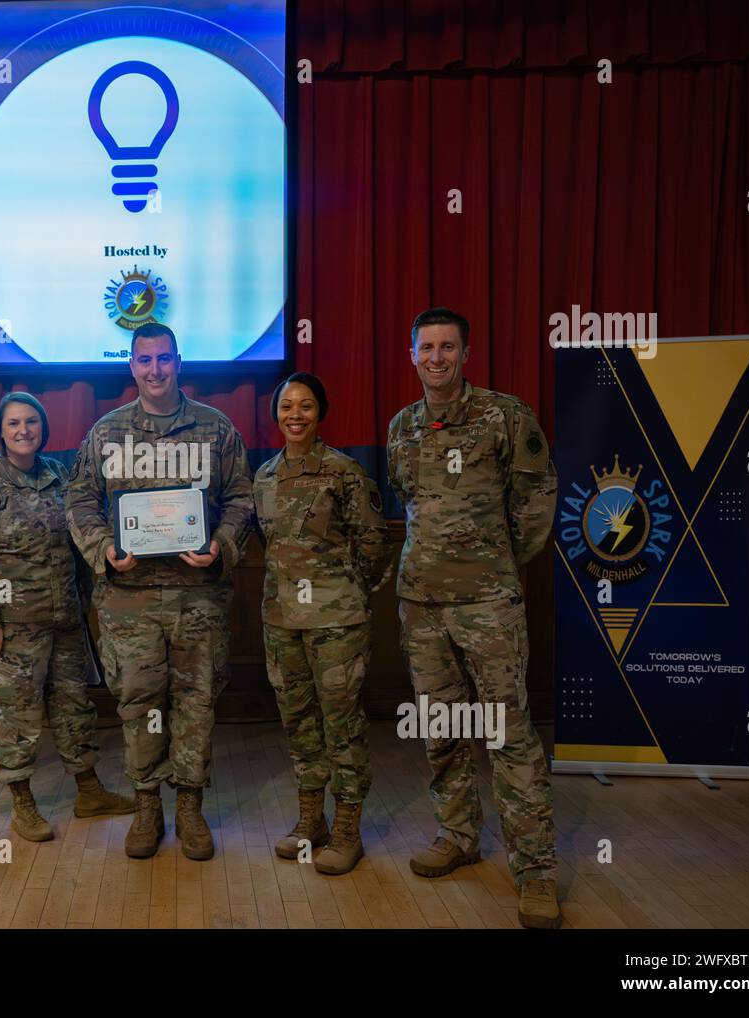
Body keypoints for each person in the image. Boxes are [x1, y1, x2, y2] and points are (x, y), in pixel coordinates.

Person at [387, 307, 560, 928]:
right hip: (422, 604)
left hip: (488, 605)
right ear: (413, 354)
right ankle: (457, 835)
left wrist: (497, 563)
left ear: (466, 353)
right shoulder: (401, 427)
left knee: (509, 735)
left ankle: (536, 870)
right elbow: (407, 499)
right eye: (426, 347)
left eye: (448, 347)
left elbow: (537, 500)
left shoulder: (505, 417)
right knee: (441, 728)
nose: (437, 357)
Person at [66, 322, 254, 861]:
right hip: (130, 601)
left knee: (196, 703)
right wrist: (102, 546)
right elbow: (79, 500)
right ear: (131, 365)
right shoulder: (106, 433)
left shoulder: (216, 430)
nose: (155, 370)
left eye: (164, 359)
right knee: (139, 704)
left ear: (179, 362)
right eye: (145, 360)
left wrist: (220, 543)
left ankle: (190, 806)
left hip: (199, 599)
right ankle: (148, 804)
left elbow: (243, 497)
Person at [0, 392, 133, 842]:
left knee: (75, 708)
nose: (23, 431)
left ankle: (89, 791)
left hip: (65, 622)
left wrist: (87, 599)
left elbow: (81, 541)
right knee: (19, 717)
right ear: (0, 430)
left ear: (43, 428)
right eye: (14, 423)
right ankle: (23, 803)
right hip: (12, 630)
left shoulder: (58, 476)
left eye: (31, 422)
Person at [253, 372, 392, 875]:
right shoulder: (263, 476)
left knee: (342, 725)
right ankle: (311, 821)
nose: (296, 415)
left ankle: (347, 828)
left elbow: (373, 544)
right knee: (299, 724)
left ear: (320, 412)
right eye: (287, 406)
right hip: (281, 620)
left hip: (336, 622)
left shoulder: (344, 472)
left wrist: (345, 590)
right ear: (276, 414)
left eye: (306, 406)